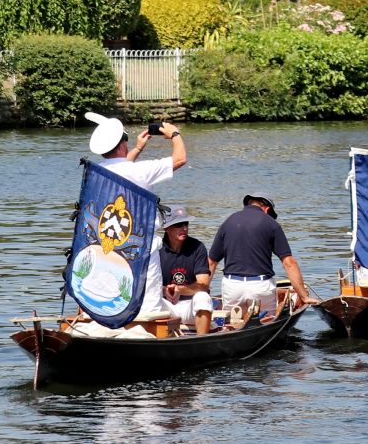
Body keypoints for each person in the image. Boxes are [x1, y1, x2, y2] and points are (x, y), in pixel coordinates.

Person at [84, 111, 189, 322]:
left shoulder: (96, 174)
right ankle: (147, 328)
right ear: (123, 144)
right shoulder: (140, 171)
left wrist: (138, 148)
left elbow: (120, 169)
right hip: (140, 249)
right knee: (148, 304)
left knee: (115, 294)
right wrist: (175, 134)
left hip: (107, 249)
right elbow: (180, 159)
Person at [208, 193, 313, 323]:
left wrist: (203, 290)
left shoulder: (228, 222)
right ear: (267, 209)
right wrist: (304, 296)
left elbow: (211, 262)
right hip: (260, 286)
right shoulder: (271, 224)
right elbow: (289, 263)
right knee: (266, 322)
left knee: (231, 323)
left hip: (232, 286)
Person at [157, 205, 212, 335]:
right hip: (166, 306)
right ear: (166, 228)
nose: (184, 228)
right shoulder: (156, 249)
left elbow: (204, 285)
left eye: (186, 223)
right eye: (178, 225)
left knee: (203, 297)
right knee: (147, 298)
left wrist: (180, 290)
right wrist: (165, 290)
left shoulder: (197, 247)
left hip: (190, 307)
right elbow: (147, 285)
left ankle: (202, 341)